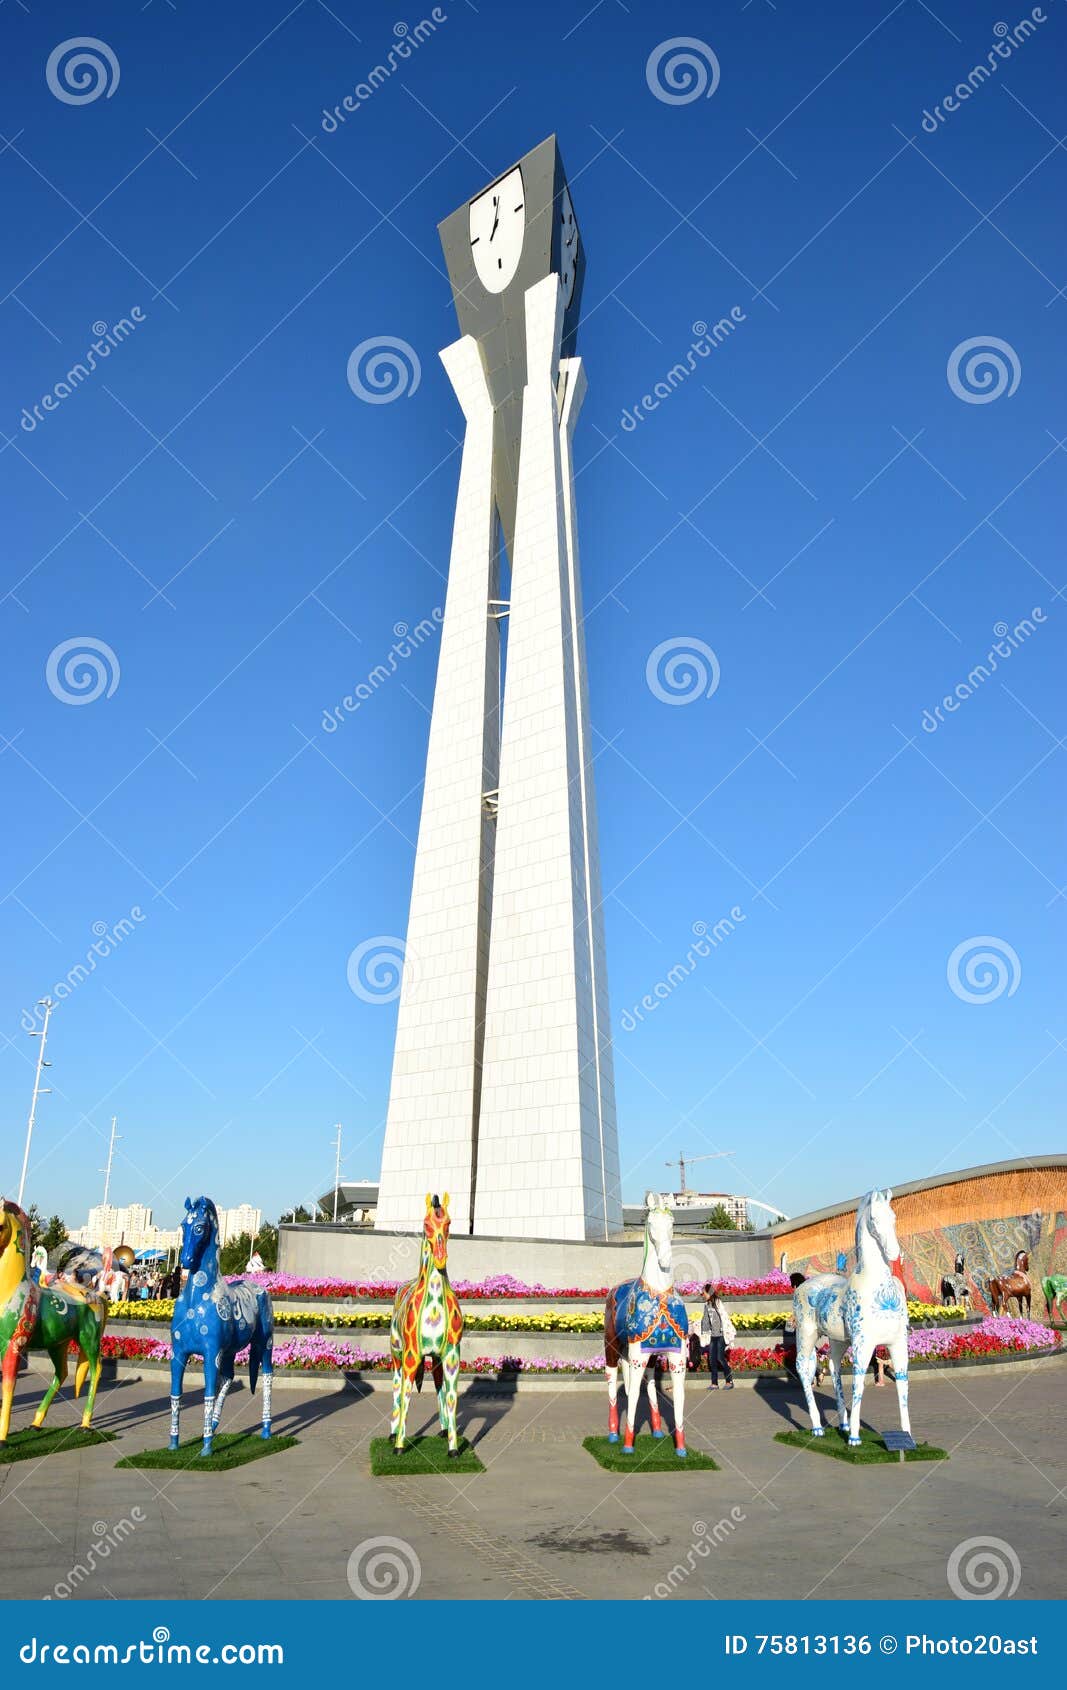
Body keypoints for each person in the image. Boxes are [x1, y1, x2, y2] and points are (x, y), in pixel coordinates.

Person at [699, 1284, 735, 1389]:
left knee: (720, 1358)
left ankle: (729, 1381)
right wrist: (703, 1332)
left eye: (703, 1293)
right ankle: (714, 1383)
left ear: (709, 1292)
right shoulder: (706, 1305)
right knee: (712, 1359)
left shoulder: (718, 1303)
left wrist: (726, 1332)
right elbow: (705, 1319)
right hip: (712, 1336)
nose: (702, 1295)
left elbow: (724, 1317)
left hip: (721, 1335)